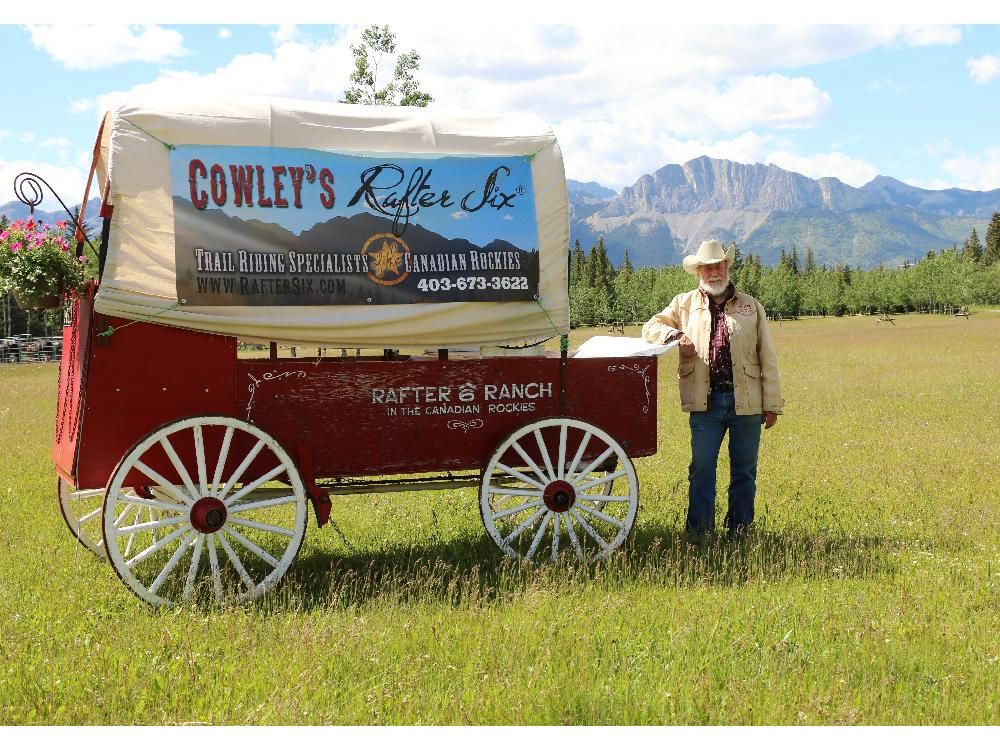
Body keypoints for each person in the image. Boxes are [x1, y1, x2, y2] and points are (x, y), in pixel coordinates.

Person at [642, 239, 783, 541]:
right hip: (704, 402)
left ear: (727, 267)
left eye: (718, 265)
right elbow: (650, 327)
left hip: (747, 401)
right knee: (702, 469)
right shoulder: (683, 304)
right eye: (707, 267)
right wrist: (674, 333)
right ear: (699, 272)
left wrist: (772, 404)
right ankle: (699, 533)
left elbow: (767, 357)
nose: (714, 272)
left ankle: (740, 531)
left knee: (744, 471)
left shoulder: (750, 306)